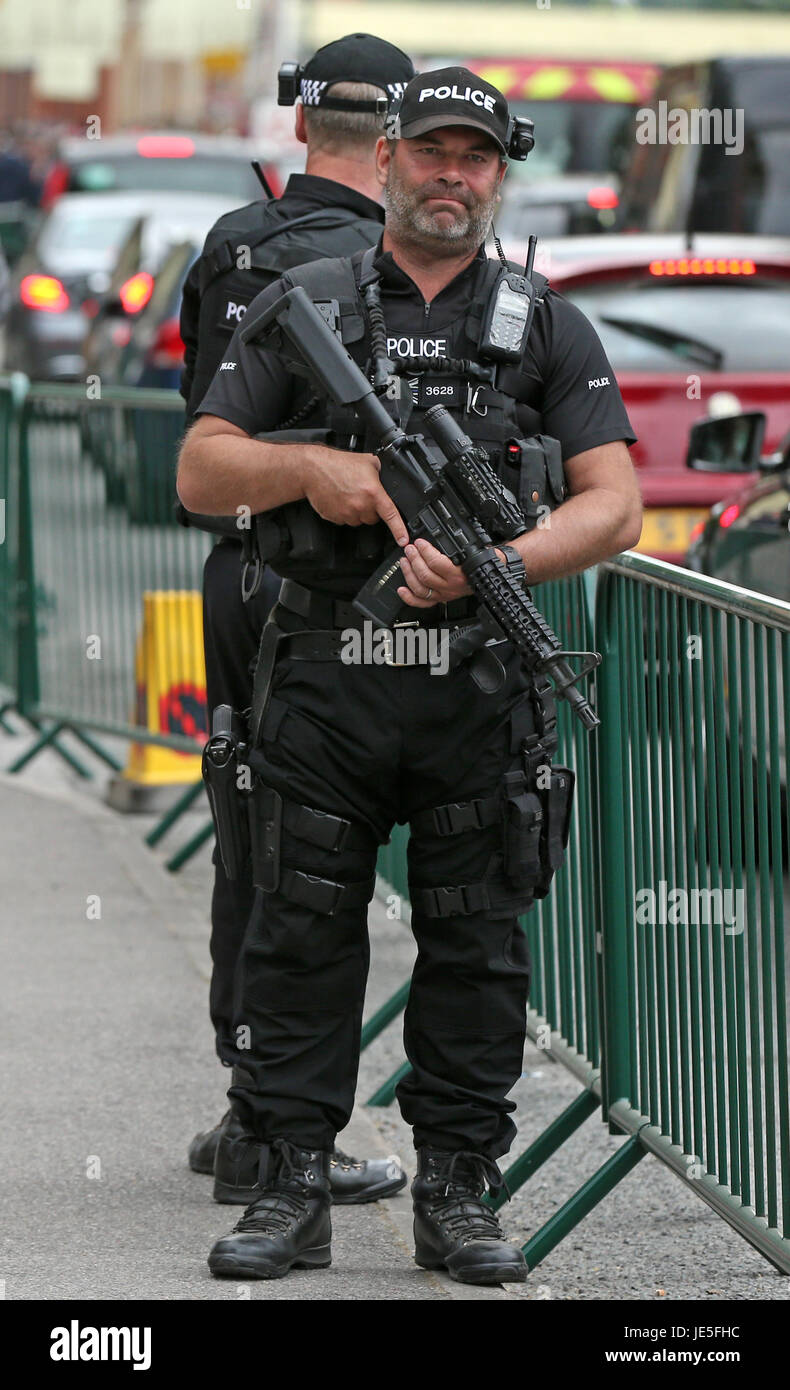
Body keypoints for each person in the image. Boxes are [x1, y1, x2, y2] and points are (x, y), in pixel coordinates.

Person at [177, 66, 642, 1286]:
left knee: (478, 945)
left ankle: (455, 1193)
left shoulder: (544, 320)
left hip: (475, 685)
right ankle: (287, 1186)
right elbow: (199, 470)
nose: (451, 175)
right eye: (430, 152)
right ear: (382, 161)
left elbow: (617, 505)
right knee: (299, 929)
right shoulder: (306, 301)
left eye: (475, 157)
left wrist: (502, 559)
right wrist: (311, 476)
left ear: (500, 174)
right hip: (327, 675)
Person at [180, 33, 414, 1207]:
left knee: (249, 829)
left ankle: (247, 1105)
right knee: (319, 857)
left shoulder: (233, 244)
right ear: (392, 140)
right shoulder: (385, 259)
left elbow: (200, 428)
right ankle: (281, 1138)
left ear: (297, 125)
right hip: (337, 594)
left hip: (235, 573)